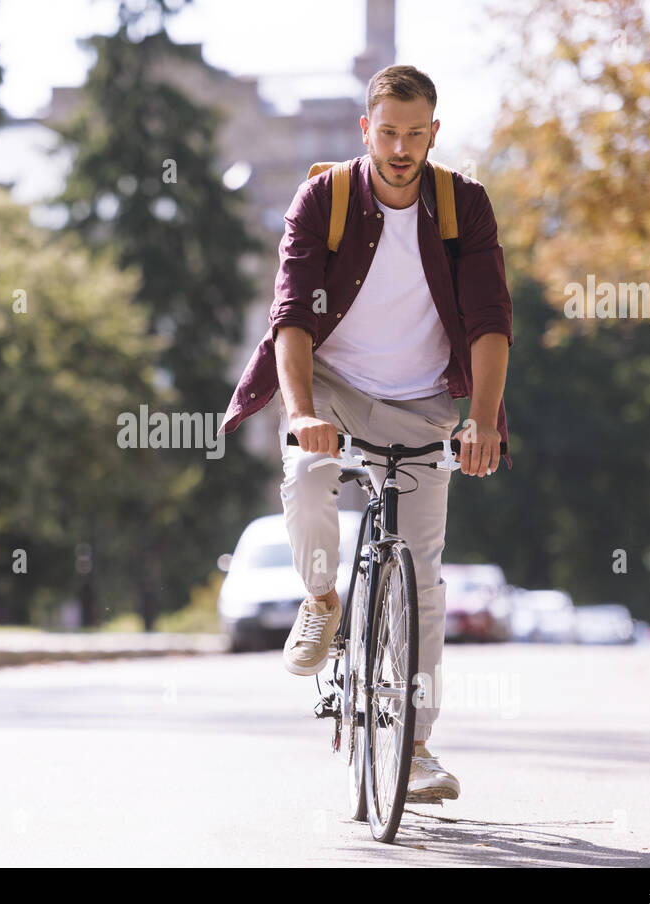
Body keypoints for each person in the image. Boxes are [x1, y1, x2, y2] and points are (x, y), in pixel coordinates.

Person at [218, 65, 513, 803]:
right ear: (366, 130)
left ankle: (413, 748)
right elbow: (289, 315)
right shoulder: (326, 197)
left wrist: (480, 417)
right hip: (334, 388)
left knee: (422, 576)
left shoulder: (463, 206)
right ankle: (321, 601)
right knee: (309, 476)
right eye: (388, 132)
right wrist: (302, 412)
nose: (402, 147)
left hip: (423, 402)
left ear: (434, 134)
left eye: (416, 134)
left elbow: (489, 322)